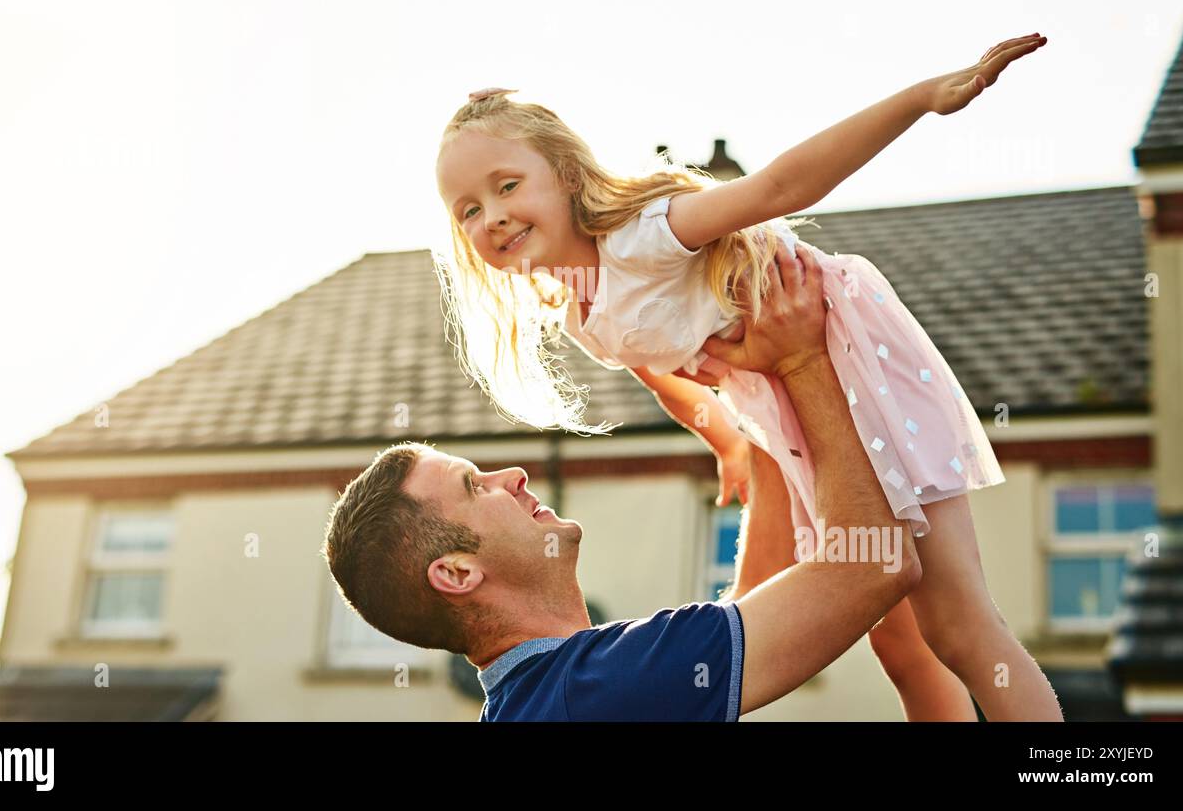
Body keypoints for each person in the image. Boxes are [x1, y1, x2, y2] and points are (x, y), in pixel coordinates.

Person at [432, 37, 1063, 720]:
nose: (490, 215)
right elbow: (655, 371)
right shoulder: (580, 308)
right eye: (467, 209)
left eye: (506, 185)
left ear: (564, 173)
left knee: (956, 624)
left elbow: (779, 187)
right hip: (790, 409)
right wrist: (728, 440)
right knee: (900, 642)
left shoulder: (647, 235)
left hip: (848, 364)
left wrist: (919, 100)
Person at [325, 245, 924, 719]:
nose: (512, 475)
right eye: (474, 486)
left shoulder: (557, 696)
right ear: (456, 572)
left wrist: (755, 431)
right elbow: (875, 566)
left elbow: (749, 616)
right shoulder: (597, 689)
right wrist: (801, 362)